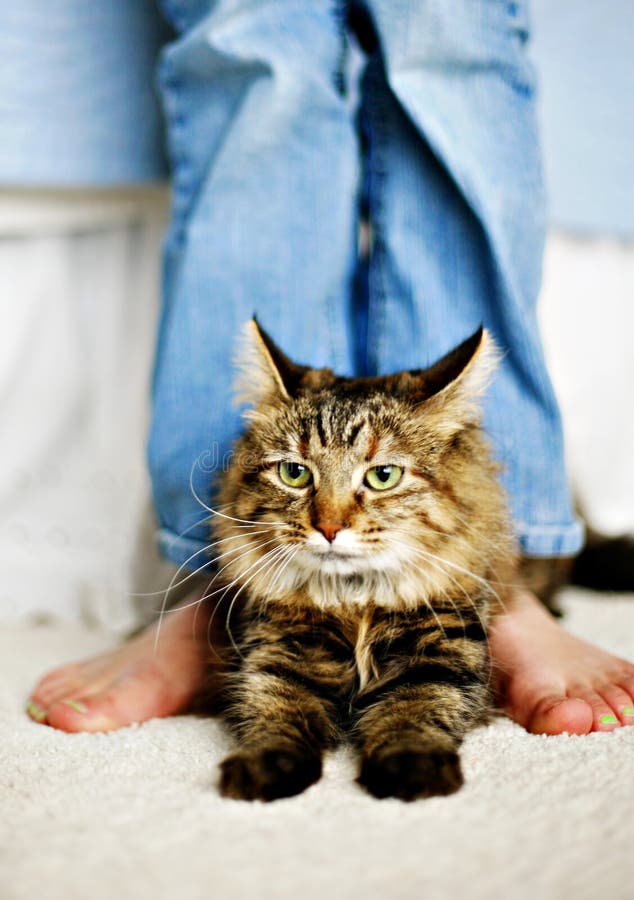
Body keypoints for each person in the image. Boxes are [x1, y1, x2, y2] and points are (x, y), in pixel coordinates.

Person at [23, 0, 634, 735]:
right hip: (267, 522)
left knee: (451, 27)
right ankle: (218, 586)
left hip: (444, 524)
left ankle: (488, 586)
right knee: (250, 30)